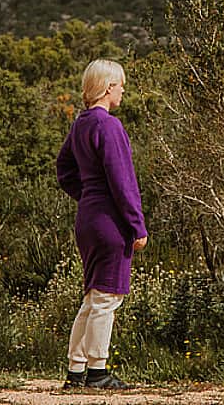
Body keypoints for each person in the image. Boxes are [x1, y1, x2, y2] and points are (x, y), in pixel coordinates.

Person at [56, 58, 148, 390]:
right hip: (110, 220)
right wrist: (137, 226)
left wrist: (87, 195)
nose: (123, 89)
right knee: (107, 298)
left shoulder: (81, 123)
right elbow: (124, 182)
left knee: (94, 296)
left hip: (88, 217)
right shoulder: (109, 126)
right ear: (109, 87)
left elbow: (64, 169)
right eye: (120, 84)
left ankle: (76, 370)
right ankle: (97, 371)